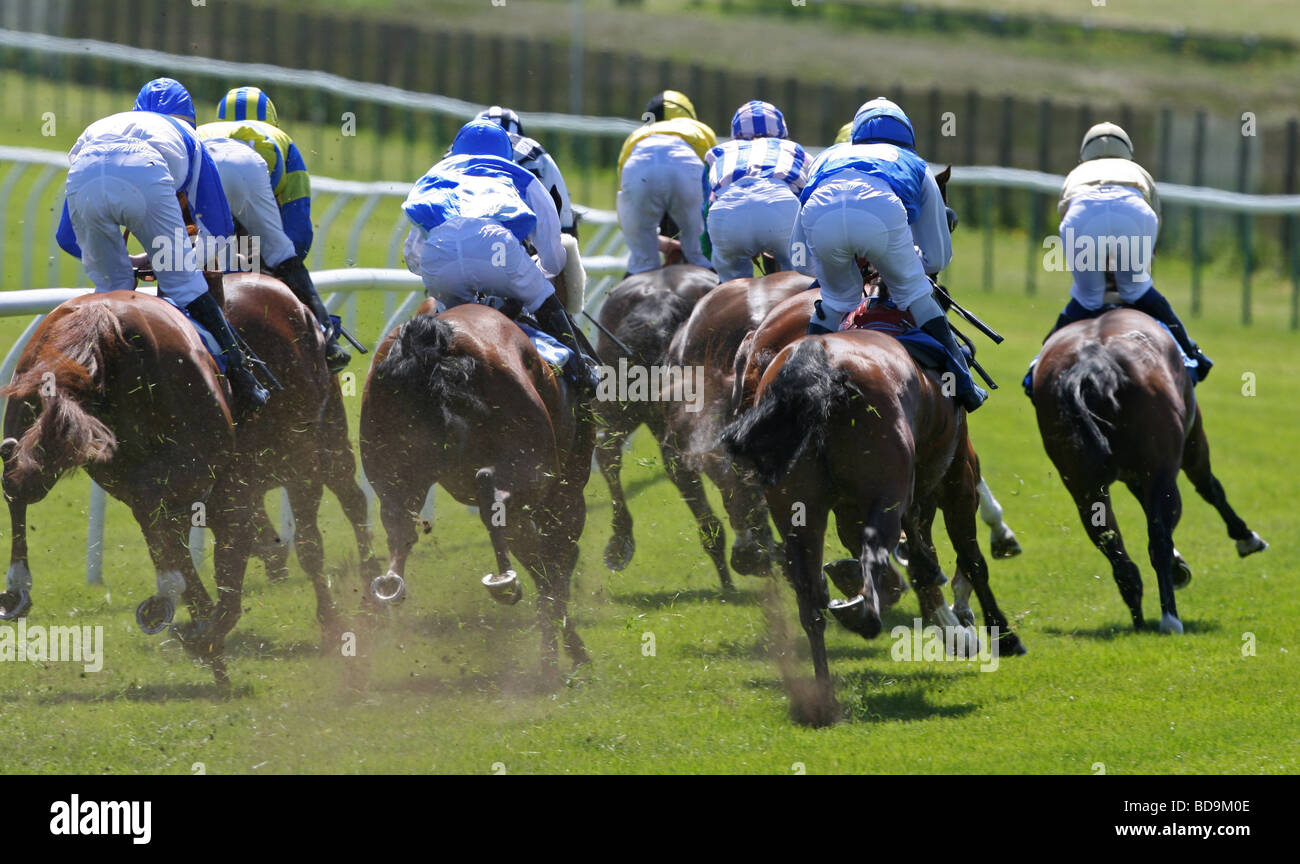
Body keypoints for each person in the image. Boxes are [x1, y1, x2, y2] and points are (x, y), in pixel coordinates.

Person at [54, 78, 268, 407]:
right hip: (145, 169)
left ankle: (89, 387)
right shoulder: (189, 139)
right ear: (190, 121)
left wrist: (126, 265)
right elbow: (220, 231)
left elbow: (67, 239)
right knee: (185, 286)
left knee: (112, 289)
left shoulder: (110, 125)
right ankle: (243, 379)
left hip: (84, 167)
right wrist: (171, 260)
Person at [792, 97, 986, 412]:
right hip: (882, 216)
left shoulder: (827, 158)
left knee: (835, 301)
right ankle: (964, 384)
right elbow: (937, 259)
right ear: (908, 138)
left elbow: (799, 259)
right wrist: (900, 264)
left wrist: (844, 274)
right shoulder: (916, 165)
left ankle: (799, 381)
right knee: (916, 294)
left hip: (819, 216)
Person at [401, 120, 599, 393]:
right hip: (496, 248)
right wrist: (538, 271)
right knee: (543, 297)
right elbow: (553, 251)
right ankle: (581, 371)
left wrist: (440, 269)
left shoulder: (436, 173)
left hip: (439, 251)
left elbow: (412, 252)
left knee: (449, 319)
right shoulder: (517, 174)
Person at [1024, 122, 1211, 396]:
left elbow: (1066, 218)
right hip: (1133, 211)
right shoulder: (1138, 172)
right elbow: (1154, 222)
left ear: (1084, 153)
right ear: (1128, 152)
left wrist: (1095, 269)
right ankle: (1190, 350)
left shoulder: (1077, 173)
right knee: (1137, 290)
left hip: (1082, 214)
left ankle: (1040, 363)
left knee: (1088, 298)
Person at [198, 87, 350, 372]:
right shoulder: (283, 142)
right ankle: (328, 339)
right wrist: (269, 265)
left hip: (202, 158)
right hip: (251, 165)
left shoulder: (202, 130)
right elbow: (299, 234)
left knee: (176, 257)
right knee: (283, 251)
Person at [702, 100, 809, 281]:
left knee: (730, 290)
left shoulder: (718, 152)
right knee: (802, 278)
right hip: (780, 208)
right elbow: (809, 197)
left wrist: (706, 254)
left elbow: (706, 208)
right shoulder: (794, 149)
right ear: (781, 132)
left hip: (726, 215)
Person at [615, 90, 718, 274]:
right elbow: (714, 195)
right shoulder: (701, 130)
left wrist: (655, 241)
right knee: (700, 256)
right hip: (685, 165)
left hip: (639, 166)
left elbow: (625, 205)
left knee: (642, 263)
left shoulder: (637, 135)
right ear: (688, 115)